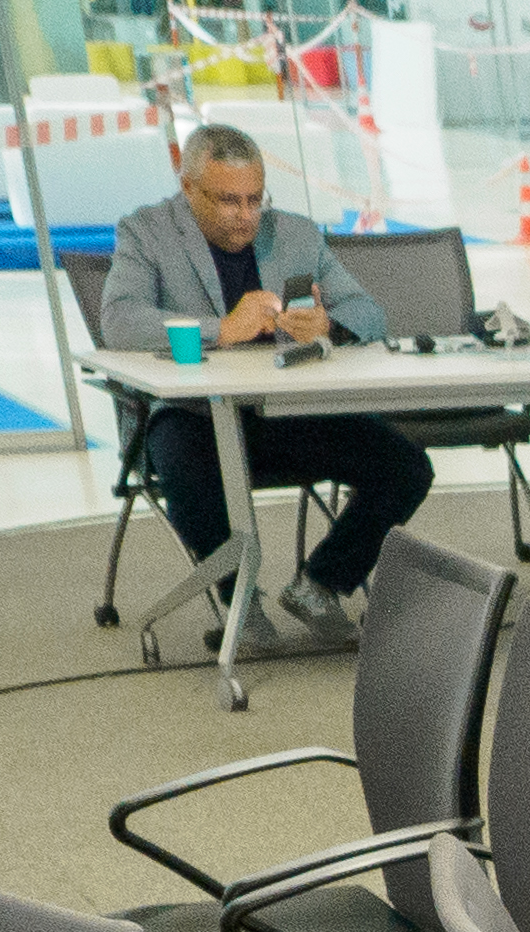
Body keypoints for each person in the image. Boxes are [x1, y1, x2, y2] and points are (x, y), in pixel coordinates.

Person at [95, 125, 432, 645]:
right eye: (228, 200)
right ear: (189, 190)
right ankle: (239, 598)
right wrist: (221, 329)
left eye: (255, 199)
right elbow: (119, 321)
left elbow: (369, 312)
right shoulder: (146, 232)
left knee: (405, 466)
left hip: (284, 412)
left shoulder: (294, 234)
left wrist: (328, 326)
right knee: (188, 463)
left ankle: (321, 582)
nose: (245, 215)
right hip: (191, 417)